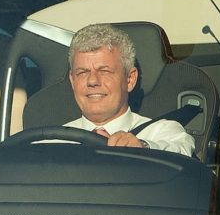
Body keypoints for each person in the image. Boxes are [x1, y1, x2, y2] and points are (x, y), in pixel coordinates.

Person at [59, 23, 196, 155]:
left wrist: (142, 148)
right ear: (72, 81)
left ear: (130, 79)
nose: (92, 81)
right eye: (83, 72)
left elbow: (182, 152)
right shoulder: (53, 141)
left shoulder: (160, 133)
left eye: (104, 71)